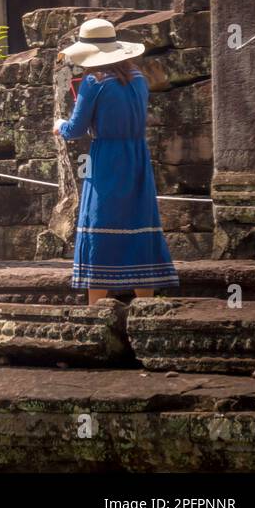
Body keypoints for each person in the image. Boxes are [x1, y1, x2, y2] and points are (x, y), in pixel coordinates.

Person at [54, 18, 179, 304]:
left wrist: (59, 124)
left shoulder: (93, 82)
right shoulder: (138, 79)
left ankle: (95, 310)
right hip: (137, 157)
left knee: (101, 225)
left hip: (107, 159)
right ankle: (144, 305)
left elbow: (75, 130)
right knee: (137, 222)